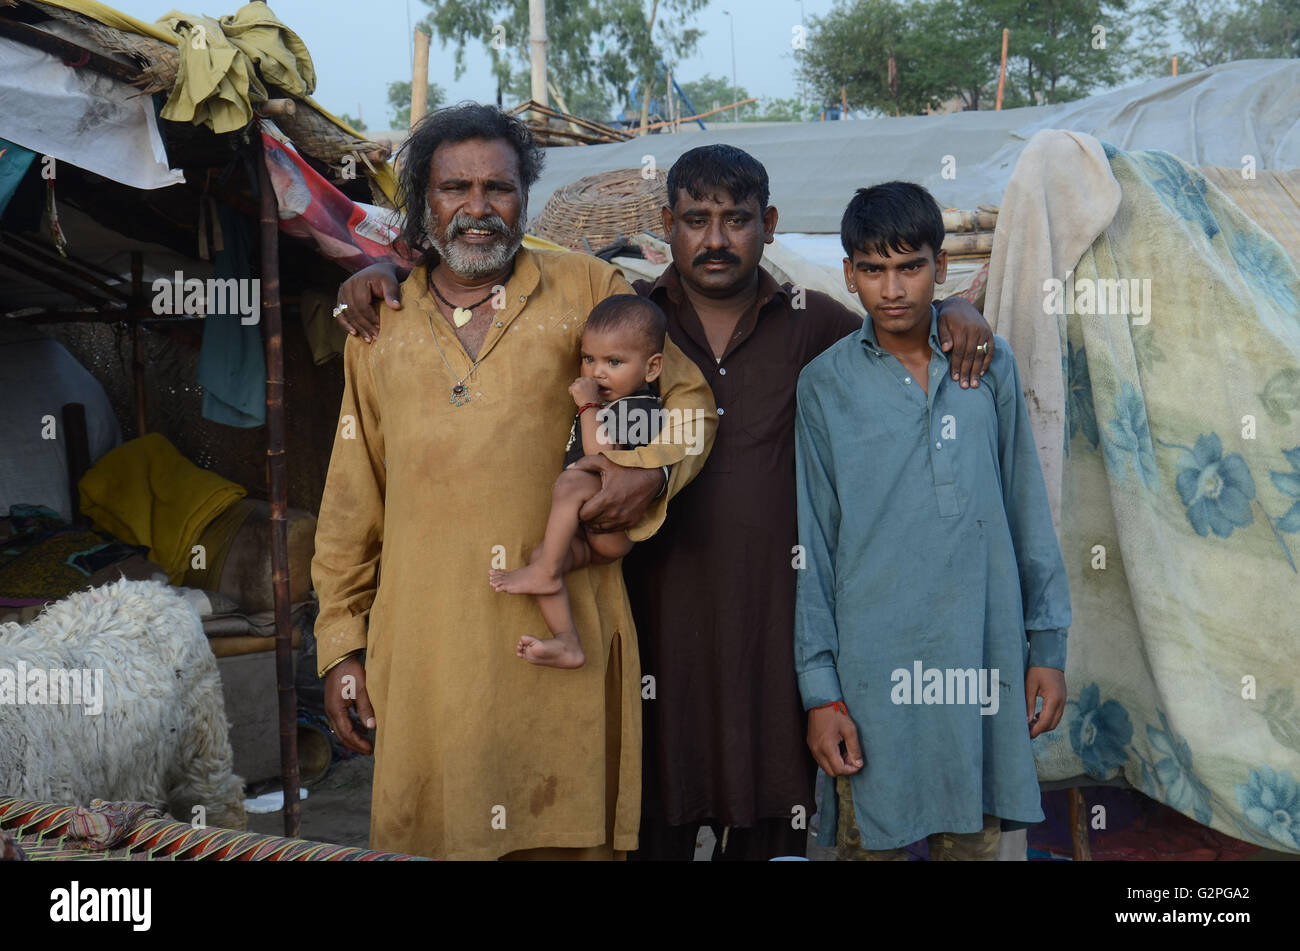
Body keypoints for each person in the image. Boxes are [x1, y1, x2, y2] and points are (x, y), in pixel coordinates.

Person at [335, 144, 996, 861]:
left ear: (768, 224)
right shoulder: (628, 314)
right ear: (666, 224)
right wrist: (387, 270)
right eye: (696, 220)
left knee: (775, 813)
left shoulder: (804, 322)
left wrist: (955, 307)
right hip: (650, 619)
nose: (716, 239)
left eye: (737, 220)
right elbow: (356, 491)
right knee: (648, 814)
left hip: (772, 620)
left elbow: (890, 326)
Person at [313, 103, 716, 861]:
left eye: (497, 188)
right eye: (453, 188)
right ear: (421, 201)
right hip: (425, 654)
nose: (476, 208)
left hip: (558, 647)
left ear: (524, 195)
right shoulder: (378, 326)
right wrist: (340, 648)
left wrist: (650, 474)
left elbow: (691, 405)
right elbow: (349, 501)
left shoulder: (587, 287)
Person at [794, 181, 1070, 861]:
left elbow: (1025, 507)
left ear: (939, 268)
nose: (894, 288)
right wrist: (820, 691)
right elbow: (815, 545)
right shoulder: (826, 384)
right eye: (874, 269)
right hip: (870, 671)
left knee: (970, 841)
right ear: (850, 273)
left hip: (980, 655)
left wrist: (1048, 647)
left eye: (911, 266)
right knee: (870, 842)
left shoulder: (988, 363)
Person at [489, 295, 671, 670]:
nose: (597, 373)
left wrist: (588, 406)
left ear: (652, 368)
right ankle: (567, 642)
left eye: (614, 362)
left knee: (570, 484)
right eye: (589, 359)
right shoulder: (614, 401)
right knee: (544, 553)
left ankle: (544, 573)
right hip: (590, 537)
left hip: (613, 524)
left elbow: (600, 456)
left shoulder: (639, 407)